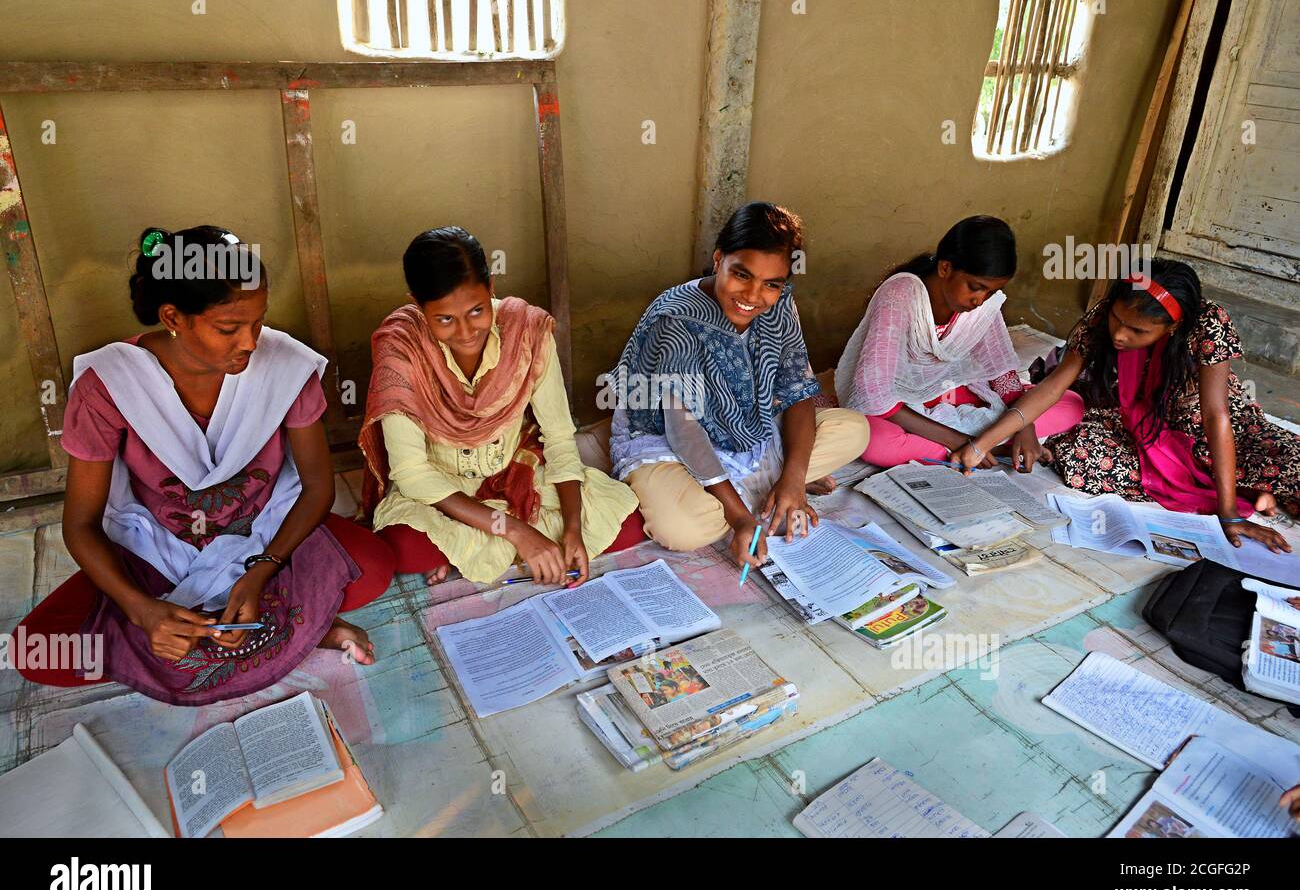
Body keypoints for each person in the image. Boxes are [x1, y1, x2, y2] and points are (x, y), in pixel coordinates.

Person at [17, 226, 395, 705]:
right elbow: (81, 523)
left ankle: (253, 629)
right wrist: (143, 611)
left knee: (377, 564)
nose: (252, 343)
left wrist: (260, 571)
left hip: (264, 535)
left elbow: (318, 487)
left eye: (258, 322)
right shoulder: (110, 386)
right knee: (38, 651)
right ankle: (299, 626)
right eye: (228, 328)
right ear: (173, 317)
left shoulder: (284, 367)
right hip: (159, 549)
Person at [359, 226, 643, 587]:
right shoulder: (400, 350)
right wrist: (518, 532)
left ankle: (467, 552)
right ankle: (494, 545)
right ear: (417, 305)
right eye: (444, 318)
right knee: (402, 547)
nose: (465, 332)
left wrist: (572, 528)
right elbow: (412, 473)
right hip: (443, 487)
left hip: (513, 470)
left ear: (491, 287)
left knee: (628, 523)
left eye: (477, 311)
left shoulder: (527, 331)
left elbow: (558, 436)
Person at [952, 258, 1295, 553]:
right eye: (1118, 320)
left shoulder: (1209, 323)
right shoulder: (1104, 315)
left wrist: (1228, 513)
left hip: (1207, 427)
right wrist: (979, 443)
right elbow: (1053, 386)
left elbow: (1215, 416)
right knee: (1079, 456)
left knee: (1290, 459)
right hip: (1139, 423)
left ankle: (1237, 489)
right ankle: (1250, 487)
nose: (1119, 335)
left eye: (1137, 331)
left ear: (1172, 327)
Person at [606, 201, 871, 568]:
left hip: (752, 428)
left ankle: (779, 489)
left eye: (771, 284)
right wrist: (740, 519)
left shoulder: (779, 306)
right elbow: (684, 431)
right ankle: (756, 495)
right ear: (718, 260)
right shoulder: (676, 318)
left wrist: (793, 478)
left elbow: (797, 389)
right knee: (681, 529)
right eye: (742, 275)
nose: (751, 296)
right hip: (671, 437)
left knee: (855, 431)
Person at [835, 215, 1083, 471]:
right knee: (874, 441)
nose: (980, 300)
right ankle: (990, 447)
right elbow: (874, 392)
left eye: (990, 292)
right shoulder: (899, 295)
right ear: (945, 268)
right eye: (975, 287)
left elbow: (1001, 375)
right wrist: (960, 441)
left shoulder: (982, 306)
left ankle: (984, 445)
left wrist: (1025, 425)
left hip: (962, 396)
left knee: (1070, 403)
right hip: (906, 406)